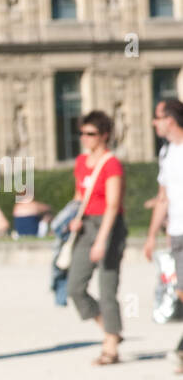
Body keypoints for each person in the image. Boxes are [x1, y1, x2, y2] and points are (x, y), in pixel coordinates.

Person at [68, 110, 126, 366]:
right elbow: (79, 196)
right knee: (75, 287)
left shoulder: (112, 164)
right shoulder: (81, 162)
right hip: (86, 226)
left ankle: (110, 346)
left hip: (109, 226)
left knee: (107, 288)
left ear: (104, 135)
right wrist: (74, 218)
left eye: (90, 133)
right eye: (82, 133)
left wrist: (102, 240)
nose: (84, 137)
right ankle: (110, 329)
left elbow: (113, 205)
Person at [144, 98, 183, 373]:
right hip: (177, 232)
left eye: (157, 117)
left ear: (170, 120)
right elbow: (163, 198)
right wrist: (151, 236)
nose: (153, 123)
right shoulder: (166, 152)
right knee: (180, 291)